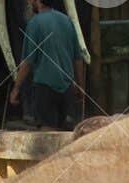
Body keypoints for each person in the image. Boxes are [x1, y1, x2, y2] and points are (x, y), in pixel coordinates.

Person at [10, 0, 85, 131]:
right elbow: (77, 59)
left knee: (47, 133)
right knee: (66, 132)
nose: (29, 2)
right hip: (67, 87)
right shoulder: (67, 21)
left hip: (44, 88)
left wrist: (16, 88)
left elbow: (27, 62)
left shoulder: (34, 23)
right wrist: (80, 85)